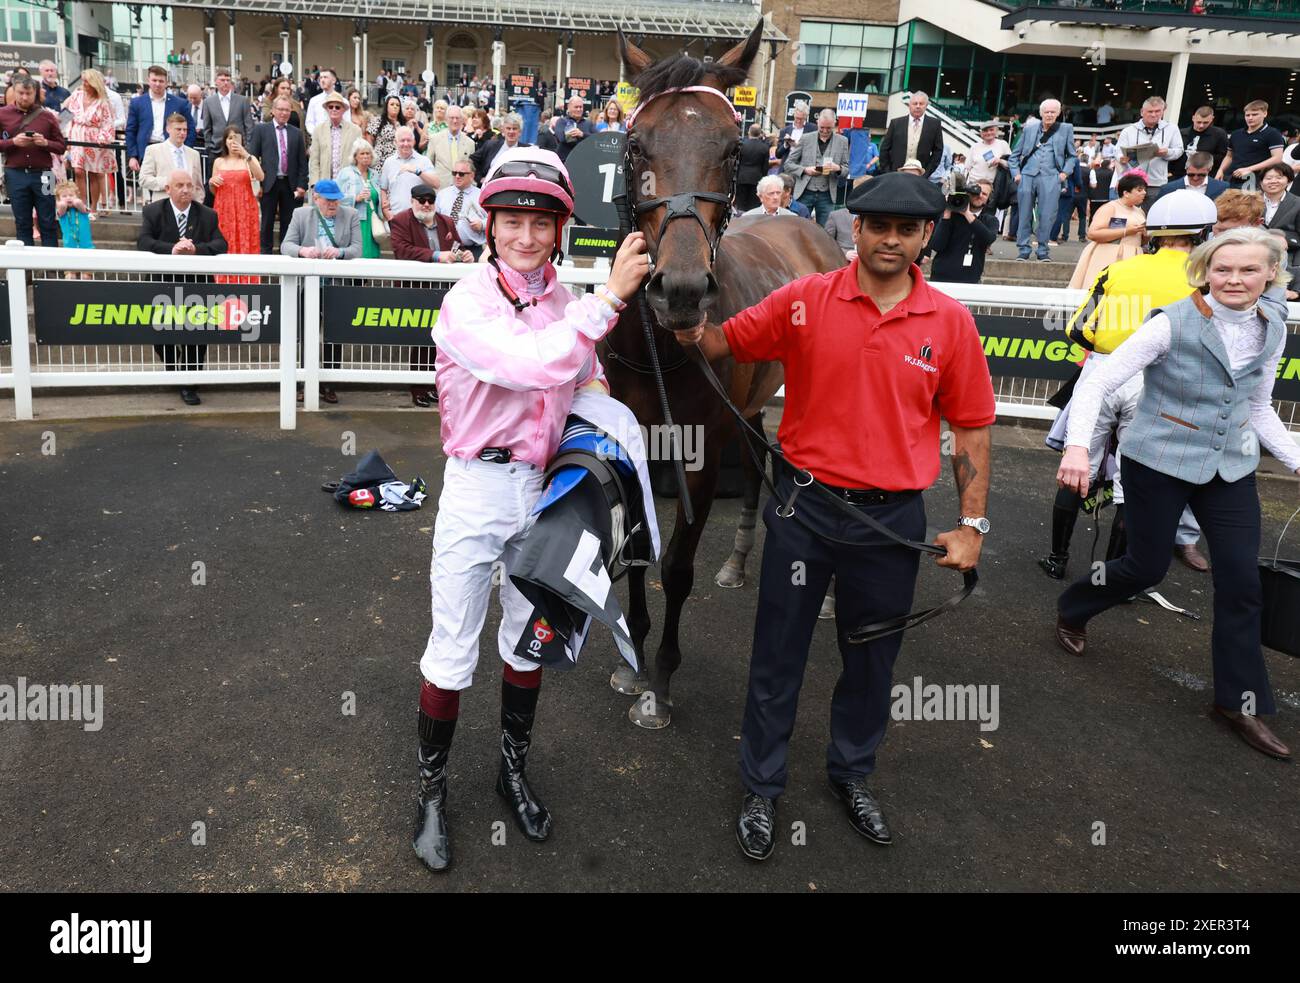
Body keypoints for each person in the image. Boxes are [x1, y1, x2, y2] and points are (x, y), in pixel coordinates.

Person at [671, 172, 994, 862]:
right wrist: (680, 308)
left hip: (892, 522)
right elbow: (721, 343)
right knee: (777, 655)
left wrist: (973, 525)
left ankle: (852, 774)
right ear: (857, 229)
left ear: (927, 236)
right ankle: (761, 784)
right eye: (878, 226)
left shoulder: (951, 323)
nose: (891, 240)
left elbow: (970, 428)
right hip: (804, 510)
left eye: (907, 229)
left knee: (873, 660)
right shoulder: (803, 301)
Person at [411, 147, 650, 873]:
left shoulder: (562, 298)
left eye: (539, 222)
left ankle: (510, 770)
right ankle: (430, 792)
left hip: (542, 487)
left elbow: (583, 374)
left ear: (559, 228)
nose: (525, 236)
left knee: (527, 639)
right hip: (477, 489)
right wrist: (607, 302)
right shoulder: (467, 301)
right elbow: (530, 364)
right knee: (453, 649)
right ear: (490, 224)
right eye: (512, 220)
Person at [1054, 227, 1299, 761]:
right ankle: (1074, 606)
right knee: (1145, 569)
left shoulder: (1273, 324)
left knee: (1241, 583)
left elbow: (1258, 408)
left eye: (1249, 269)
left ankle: (1238, 703)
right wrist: (1078, 450)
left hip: (1230, 467)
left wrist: (1296, 459)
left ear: (1271, 276)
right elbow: (1095, 382)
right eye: (1223, 268)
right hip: (1158, 461)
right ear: (1206, 269)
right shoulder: (1171, 322)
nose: (1234, 279)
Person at [1042, 190, 1219, 580]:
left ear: (1154, 234)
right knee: (1131, 482)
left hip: (1102, 375)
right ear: (1202, 234)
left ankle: (1056, 559)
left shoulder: (1119, 271)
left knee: (1077, 468)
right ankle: (1112, 572)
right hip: (1157, 382)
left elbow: (1078, 329)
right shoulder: (1205, 279)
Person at [138, 170, 228, 406]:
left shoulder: (207, 214)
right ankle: (174, 367)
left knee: (196, 335)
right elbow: (144, 241)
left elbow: (221, 244)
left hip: (197, 286)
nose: (186, 189)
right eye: (180, 185)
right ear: (168, 189)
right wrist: (172, 249)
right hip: (162, 285)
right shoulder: (153, 211)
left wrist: (196, 249)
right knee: (160, 335)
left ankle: (189, 382)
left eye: (190, 185)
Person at [282, 179, 363, 405]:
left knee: (333, 335)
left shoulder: (351, 215)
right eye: (328, 200)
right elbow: (286, 245)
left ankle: (329, 383)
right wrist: (303, 251)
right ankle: (303, 382)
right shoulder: (301, 215)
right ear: (316, 198)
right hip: (308, 284)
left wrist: (339, 252)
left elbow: (357, 248)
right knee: (306, 333)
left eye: (336, 200)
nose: (333, 204)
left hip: (336, 285)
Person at [0, 75, 65, 246]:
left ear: (35, 92)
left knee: (49, 222)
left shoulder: (47, 116)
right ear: (14, 91)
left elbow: (61, 146)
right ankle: (26, 270)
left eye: (28, 93)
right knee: (22, 223)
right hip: (15, 173)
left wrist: (45, 143)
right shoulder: (3, 114)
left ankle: (51, 269)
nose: (24, 97)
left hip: (45, 173)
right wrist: (12, 142)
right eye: (21, 93)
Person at [1009, 98, 1075, 262]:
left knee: (1047, 215)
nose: (1050, 115)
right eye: (1046, 112)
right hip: (1028, 176)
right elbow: (1014, 155)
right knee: (1024, 214)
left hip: (1051, 176)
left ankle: (1043, 250)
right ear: (1041, 113)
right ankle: (1023, 249)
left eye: (1053, 112)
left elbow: (1072, 156)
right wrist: (1016, 173)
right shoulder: (1029, 129)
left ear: (1058, 113)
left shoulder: (1066, 129)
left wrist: (1064, 174)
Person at [247, 96, 309, 253]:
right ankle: (266, 257)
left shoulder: (296, 133)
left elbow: (302, 161)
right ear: (273, 111)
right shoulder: (261, 130)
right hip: (268, 183)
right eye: (280, 109)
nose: (284, 113)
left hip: (290, 184)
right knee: (267, 222)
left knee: (288, 223)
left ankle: (286, 255)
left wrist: (302, 185)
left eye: (287, 110)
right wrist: (258, 184)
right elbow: (252, 158)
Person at [1068, 170, 1148, 288]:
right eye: (1139, 190)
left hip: (1133, 255)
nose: (1144, 193)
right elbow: (1093, 233)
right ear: (1126, 193)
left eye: (1144, 190)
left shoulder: (1139, 211)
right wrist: (1127, 231)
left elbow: (1141, 239)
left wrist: (1145, 235)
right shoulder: (1110, 207)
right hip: (1109, 255)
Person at [207, 125, 264, 279]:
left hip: (245, 208)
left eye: (236, 137)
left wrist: (246, 154)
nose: (233, 141)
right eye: (230, 138)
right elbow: (214, 190)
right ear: (225, 141)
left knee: (246, 239)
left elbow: (260, 176)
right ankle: (224, 279)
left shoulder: (248, 159)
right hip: (224, 208)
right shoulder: (218, 161)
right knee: (225, 240)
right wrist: (212, 182)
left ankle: (248, 279)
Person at [64, 69, 117, 218]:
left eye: (87, 81)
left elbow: (108, 123)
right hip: (77, 136)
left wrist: (103, 138)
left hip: (94, 139)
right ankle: (82, 204)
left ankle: (93, 207)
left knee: (94, 173)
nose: (84, 84)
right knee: (78, 171)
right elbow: (66, 115)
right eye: (83, 80)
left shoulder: (103, 102)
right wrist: (67, 136)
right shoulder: (76, 95)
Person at [784, 109, 850, 226]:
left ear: (834, 123)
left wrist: (838, 168)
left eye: (829, 128)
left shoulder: (843, 141)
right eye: (822, 127)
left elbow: (846, 169)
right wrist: (805, 170)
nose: (825, 131)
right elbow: (788, 164)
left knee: (825, 232)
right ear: (817, 122)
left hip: (827, 195)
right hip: (804, 192)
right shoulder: (806, 138)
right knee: (798, 228)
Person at [126, 66, 195, 176]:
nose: (157, 84)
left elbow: (190, 129)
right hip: (146, 151)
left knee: (172, 188)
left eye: (161, 81)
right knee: (149, 189)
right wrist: (133, 156)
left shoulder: (180, 103)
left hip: (172, 151)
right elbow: (130, 131)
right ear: (148, 80)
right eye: (154, 80)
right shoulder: (137, 103)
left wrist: (184, 151)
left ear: (166, 83)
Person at [929, 180, 997, 283]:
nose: (979, 195)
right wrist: (947, 214)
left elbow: (988, 239)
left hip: (970, 278)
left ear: (989, 199)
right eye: (976, 192)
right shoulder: (951, 216)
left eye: (984, 194)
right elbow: (936, 245)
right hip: (941, 276)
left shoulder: (990, 220)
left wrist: (967, 213)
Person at [1116, 96, 1183, 199]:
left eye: (1157, 111)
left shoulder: (1172, 129)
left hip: (1157, 183)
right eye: (1150, 111)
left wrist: (1167, 152)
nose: (1153, 114)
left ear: (1163, 111)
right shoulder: (1129, 130)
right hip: (1132, 182)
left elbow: (1179, 150)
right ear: (1142, 112)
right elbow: (1118, 151)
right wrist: (1121, 157)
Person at [1217, 100, 1286, 189]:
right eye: (1247, 115)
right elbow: (1229, 156)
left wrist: (1249, 169)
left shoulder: (1273, 133)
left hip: (1254, 180)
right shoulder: (1236, 134)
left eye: (1254, 114)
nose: (1250, 118)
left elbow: (1277, 158)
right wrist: (1220, 170)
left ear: (1265, 113)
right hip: (1230, 178)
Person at [140, 112, 204, 205]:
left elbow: (198, 186)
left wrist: (198, 204)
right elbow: (144, 179)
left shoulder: (194, 154)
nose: (182, 133)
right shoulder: (153, 150)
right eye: (178, 129)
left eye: (185, 130)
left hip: (189, 207)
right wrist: (168, 182)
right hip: (163, 205)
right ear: (168, 129)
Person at [878, 91, 943, 176]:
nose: (918, 106)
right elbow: (884, 149)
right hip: (896, 174)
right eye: (915, 103)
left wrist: (926, 174)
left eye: (921, 103)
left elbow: (938, 151)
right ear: (909, 105)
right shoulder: (896, 123)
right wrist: (888, 172)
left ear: (926, 105)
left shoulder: (934, 124)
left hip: (920, 176)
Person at [337, 140, 383, 259]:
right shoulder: (345, 173)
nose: (366, 156)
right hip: (355, 220)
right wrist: (356, 198)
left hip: (372, 220)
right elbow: (336, 197)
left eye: (368, 154)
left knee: (370, 254)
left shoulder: (375, 174)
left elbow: (379, 196)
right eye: (362, 154)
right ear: (355, 156)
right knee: (358, 255)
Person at [380, 126, 437, 220]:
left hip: (420, 217)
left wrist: (417, 171)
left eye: (409, 140)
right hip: (396, 217)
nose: (406, 144)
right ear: (396, 142)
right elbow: (383, 189)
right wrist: (386, 211)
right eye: (402, 140)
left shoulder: (424, 160)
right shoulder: (389, 162)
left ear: (414, 142)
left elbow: (436, 184)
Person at [435, 158, 486, 259]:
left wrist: (482, 224)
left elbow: (494, 220)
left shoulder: (482, 196)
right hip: (446, 249)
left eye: (461, 174)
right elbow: (434, 219)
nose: (457, 176)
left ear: (472, 175)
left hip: (473, 250)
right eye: (454, 173)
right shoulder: (442, 195)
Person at [308, 91, 362, 188]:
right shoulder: (318, 130)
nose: (334, 109)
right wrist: (315, 184)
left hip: (348, 185)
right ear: (327, 109)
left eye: (337, 107)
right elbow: (314, 161)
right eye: (330, 107)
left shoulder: (355, 131)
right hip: (324, 184)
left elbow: (359, 160)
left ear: (343, 110)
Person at [1171, 105, 1229, 180]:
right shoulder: (1181, 133)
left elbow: (1223, 156)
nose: (1201, 125)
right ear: (1193, 118)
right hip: (1179, 176)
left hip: (1206, 176)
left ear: (1212, 119)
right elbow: (1173, 153)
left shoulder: (1219, 134)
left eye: (1205, 122)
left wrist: (1202, 157)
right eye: (1198, 122)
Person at [1260, 161, 1300, 268]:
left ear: (1288, 181)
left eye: (1279, 177)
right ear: (1261, 182)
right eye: (1268, 178)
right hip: (1254, 253)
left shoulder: (1298, 204)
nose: (1273, 181)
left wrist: (1282, 238)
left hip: (1288, 255)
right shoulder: (1250, 201)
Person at [202, 69, 254, 148]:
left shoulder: (243, 101)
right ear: (216, 82)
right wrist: (209, 146)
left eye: (228, 80)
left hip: (239, 148)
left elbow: (249, 126)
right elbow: (207, 128)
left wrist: (247, 146)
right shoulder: (208, 102)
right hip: (216, 149)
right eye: (222, 80)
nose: (225, 83)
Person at [54, 180, 94, 278]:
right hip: (69, 249)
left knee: (86, 276)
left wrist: (75, 200)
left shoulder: (82, 209)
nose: (68, 198)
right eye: (64, 196)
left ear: (77, 196)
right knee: (70, 276)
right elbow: (62, 206)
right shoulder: (61, 212)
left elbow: (79, 203)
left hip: (86, 248)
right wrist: (61, 202)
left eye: (71, 195)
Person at [428, 104, 474, 187]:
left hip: (462, 190)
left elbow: (471, 169)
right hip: (440, 188)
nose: (455, 121)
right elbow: (429, 166)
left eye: (457, 118)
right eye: (451, 118)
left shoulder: (470, 143)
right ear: (446, 120)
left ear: (462, 120)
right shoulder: (435, 139)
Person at [1154, 151, 1228, 201]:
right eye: (1191, 175)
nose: (1195, 178)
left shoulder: (1223, 188)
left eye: (1201, 175)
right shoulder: (1168, 189)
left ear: (1210, 169)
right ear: (1186, 169)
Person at [1051, 153, 1088, 244]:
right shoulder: (1074, 160)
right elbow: (1077, 178)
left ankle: (1046, 235)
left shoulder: (1053, 156)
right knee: (1061, 213)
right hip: (1067, 189)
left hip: (1052, 187)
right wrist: (1078, 186)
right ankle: (1053, 236)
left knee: (1050, 212)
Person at [736, 124, 773, 213]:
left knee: (741, 206)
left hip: (742, 178)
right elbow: (765, 167)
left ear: (749, 132)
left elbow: (737, 162)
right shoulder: (764, 147)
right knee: (754, 207)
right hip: (757, 179)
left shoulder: (742, 145)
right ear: (760, 134)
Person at [965, 121, 1011, 188]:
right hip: (974, 185)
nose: (988, 133)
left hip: (994, 187)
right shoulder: (975, 147)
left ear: (996, 131)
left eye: (991, 130)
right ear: (981, 133)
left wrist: (1000, 161)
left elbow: (1012, 165)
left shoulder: (1003, 144)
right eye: (985, 131)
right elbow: (967, 167)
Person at [366, 94, 404, 172]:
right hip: (380, 160)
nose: (395, 106)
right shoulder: (378, 120)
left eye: (397, 105)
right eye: (392, 104)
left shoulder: (402, 123)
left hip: (398, 161)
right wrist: (370, 154)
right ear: (387, 106)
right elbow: (369, 137)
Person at [551, 95, 593, 163]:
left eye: (581, 107)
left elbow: (596, 138)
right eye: (576, 107)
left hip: (584, 161)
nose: (579, 109)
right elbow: (562, 138)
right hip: (565, 161)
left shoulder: (588, 123)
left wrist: (582, 134)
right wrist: (581, 138)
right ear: (569, 107)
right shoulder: (562, 121)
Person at [303, 69, 340, 135]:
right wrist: (317, 135)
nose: (322, 80)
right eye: (320, 78)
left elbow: (347, 122)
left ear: (334, 80)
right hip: (317, 140)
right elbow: (309, 122)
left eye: (325, 77)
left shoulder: (342, 101)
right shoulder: (314, 101)